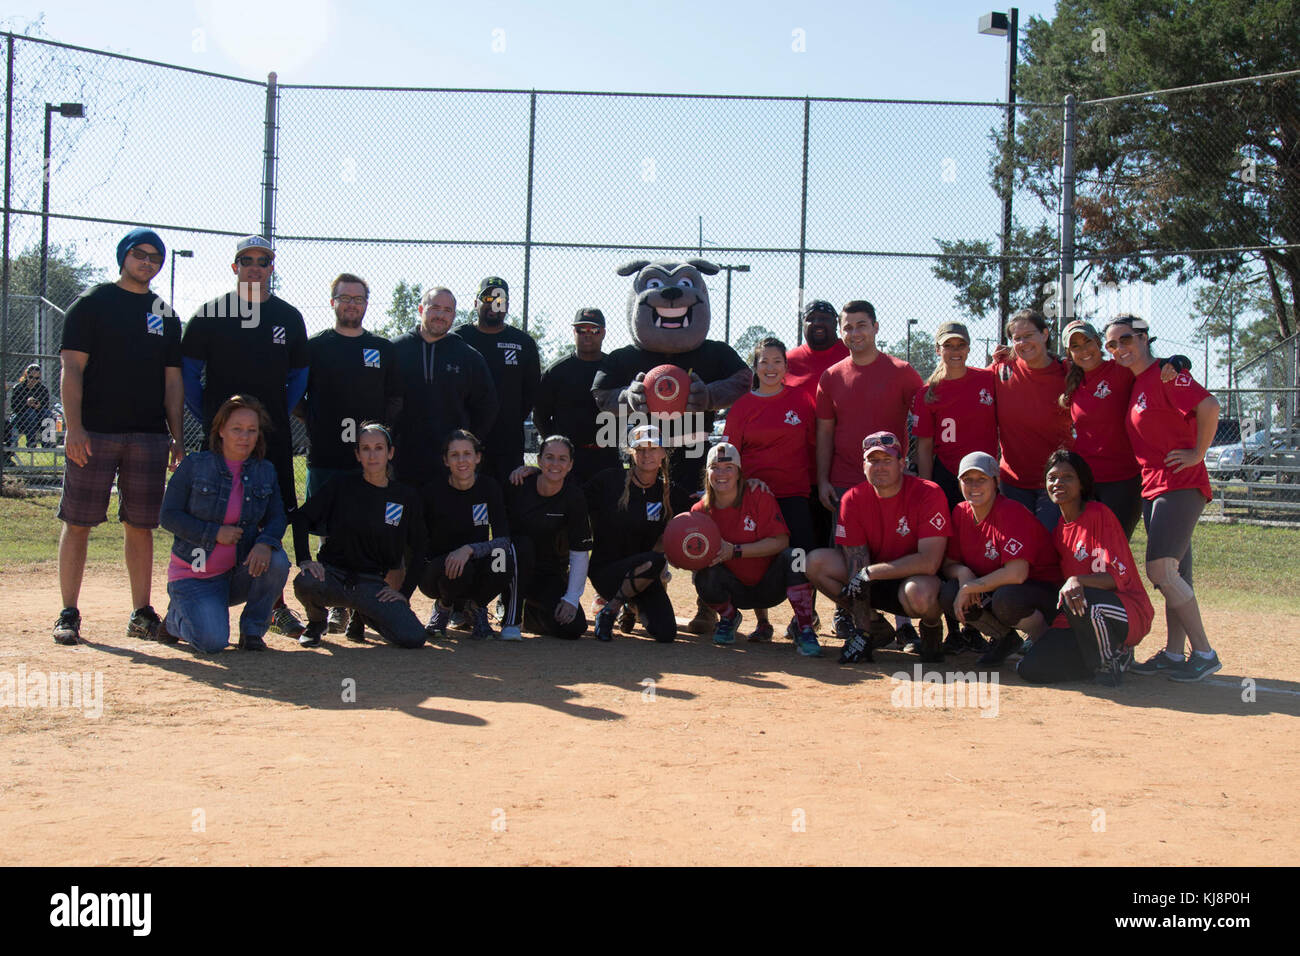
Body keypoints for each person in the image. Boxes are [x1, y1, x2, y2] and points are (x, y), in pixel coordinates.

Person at [54, 228, 185, 645]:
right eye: (140, 254)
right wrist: (74, 428)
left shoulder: (164, 312)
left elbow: (173, 382)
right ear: (123, 256)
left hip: (148, 435)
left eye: (155, 257)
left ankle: (141, 613)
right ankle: (69, 612)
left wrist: (176, 436)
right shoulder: (92, 304)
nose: (147, 262)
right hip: (94, 433)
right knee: (78, 522)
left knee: (141, 526)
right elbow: (71, 369)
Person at [182, 235, 308, 638]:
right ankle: (198, 593)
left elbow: (299, 377)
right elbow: (187, 374)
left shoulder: (288, 317)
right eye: (246, 260)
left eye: (263, 260)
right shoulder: (209, 315)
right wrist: (214, 421)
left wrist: (271, 421)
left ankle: (272, 605)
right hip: (221, 443)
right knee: (211, 514)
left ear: (273, 268)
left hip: (270, 441)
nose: (255, 266)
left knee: (272, 514)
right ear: (234, 267)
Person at [1105, 315, 1223, 682]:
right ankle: (1174, 654)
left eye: (1125, 340)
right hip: (1154, 486)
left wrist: (1198, 453)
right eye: (1112, 345)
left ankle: (1204, 653)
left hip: (1180, 484)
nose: (1119, 349)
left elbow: (1210, 406)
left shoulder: (1167, 374)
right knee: (1175, 574)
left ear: (1143, 339)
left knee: (1161, 571)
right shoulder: (1139, 380)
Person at [815, 300, 923, 647]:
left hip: (893, 483)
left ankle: (905, 624)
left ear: (876, 327)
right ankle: (862, 620)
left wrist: (918, 471)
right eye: (848, 327)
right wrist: (822, 480)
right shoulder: (831, 377)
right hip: (846, 482)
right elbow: (826, 433)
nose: (855, 333)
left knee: (895, 552)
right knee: (849, 557)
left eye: (861, 325)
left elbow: (924, 421)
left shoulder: (902, 371)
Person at [806, 431, 950, 665]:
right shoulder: (852, 499)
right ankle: (873, 628)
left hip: (914, 579)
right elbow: (856, 566)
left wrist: (871, 573)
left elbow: (929, 562)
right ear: (863, 466)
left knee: (920, 594)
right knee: (816, 562)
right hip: (873, 579)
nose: (880, 467)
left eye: (887, 460)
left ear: (901, 464)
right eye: (873, 460)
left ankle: (931, 628)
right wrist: (862, 632)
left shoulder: (928, 492)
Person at [159, 395, 291, 652]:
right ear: (220, 430)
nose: (245, 437)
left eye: (252, 430)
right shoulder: (194, 466)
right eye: (237, 429)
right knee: (212, 643)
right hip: (195, 576)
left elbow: (277, 517)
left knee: (277, 560)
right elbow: (169, 515)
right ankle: (175, 620)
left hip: (237, 573)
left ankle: (253, 631)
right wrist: (214, 533)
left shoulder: (265, 470)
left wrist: (266, 542)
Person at [1018, 449, 1154, 686]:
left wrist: (1077, 580)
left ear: (1082, 484)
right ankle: (1094, 660)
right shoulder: (1060, 530)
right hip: (1082, 615)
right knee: (1031, 668)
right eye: (1052, 478)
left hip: (1127, 611)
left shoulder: (1099, 515)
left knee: (1082, 594)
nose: (1058, 483)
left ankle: (1113, 657)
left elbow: (1114, 578)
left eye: (1067, 477)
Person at [291, 423, 428, 649]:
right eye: (365, 448)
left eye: (379, 448)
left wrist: (404, 592)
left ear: (390, 452)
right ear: (357, 454)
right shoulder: (341, 485)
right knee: (305, 581)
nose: (372, 455)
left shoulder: (405, 496)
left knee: (413, 637)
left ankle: (365, 613)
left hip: (372, 584)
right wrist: (305, 559)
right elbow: (301, 517)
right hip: (333, 576)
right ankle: (316, 622)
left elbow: (420, 546)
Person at [722, 337, 819, 641]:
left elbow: (815, 446)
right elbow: (729, 455)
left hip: (794, 493)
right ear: (755, 367)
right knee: (755, 556)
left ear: (787, 367)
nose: (771, 367)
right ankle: (762, 621)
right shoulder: (741, 407)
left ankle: (802, 620)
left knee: (800, 555)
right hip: (754, 497)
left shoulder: (802, 401)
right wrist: (743, 485)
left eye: (777, 361)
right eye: (764, 361)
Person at [911, 320, 998, 651]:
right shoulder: (927, 392)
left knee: (984, 548)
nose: (955, 351)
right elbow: (923, 446)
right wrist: (928, 486)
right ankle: (957, 629)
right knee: (950, 550)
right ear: (938, 350)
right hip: (948, 476)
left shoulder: (987, 380)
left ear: (969, 347)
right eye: (948, 345)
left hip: (985, 475)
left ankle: (986, 625)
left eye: (960, 345)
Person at [1058, 319, 1188, 539]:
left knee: (1113, 547)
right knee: (1086, 547)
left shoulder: (1121, 369)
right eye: (1075, 346)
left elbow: (1160, 364)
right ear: (1069, 353)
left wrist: (1178, 362)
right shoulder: (1071, 379)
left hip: (1122, 479)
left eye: (1087, 342)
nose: (1084, 350)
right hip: (1084, 480)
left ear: (1099, 343)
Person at [690, 442, 822, 656]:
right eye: (715, 467)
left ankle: (804, 626)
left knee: (796, 556)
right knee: (702, 574)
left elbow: (781, 542)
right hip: (735, 591)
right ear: (707, 473)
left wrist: (735, 550)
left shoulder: (758, 495)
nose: (721, 473)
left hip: (770, 586)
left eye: (728, 467)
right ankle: (729, 617)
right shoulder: (700, 510)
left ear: (739, 472)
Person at [938, 451, 1060, 666]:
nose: (974, 486)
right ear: (959, 483)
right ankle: (1005, 639)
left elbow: (1017, 573)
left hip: (1043, 590)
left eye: (982, 479)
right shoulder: (960, 512)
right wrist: (963, 574)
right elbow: (949, 564)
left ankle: (1045, 642)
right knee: (950, 593)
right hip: (999, 586)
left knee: (1006, 599)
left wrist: (971, 587)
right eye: (967, 480)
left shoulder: (1011, 512)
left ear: (996, 482)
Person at [584, 424, 693, 643]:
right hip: (606, 573)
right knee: (655, 560)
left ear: (663, 452)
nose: (646, 454)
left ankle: (630, 605)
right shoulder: (608, 482)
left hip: (645, 575)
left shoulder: (670, 492)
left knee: (666, 633)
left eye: (653, 448)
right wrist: (535, 472)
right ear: (631, 453)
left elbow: (702, 507)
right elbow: (571, 498)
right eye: (640, 448)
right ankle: (610, 610)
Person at [406, 429, 511, 640]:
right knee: (459, 568)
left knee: (503, 559)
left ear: (478, 457)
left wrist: (469, 550)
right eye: (454, 455)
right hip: (437, 572)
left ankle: (476, 608)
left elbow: (504, 539)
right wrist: (404, 594)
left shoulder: (489, 487)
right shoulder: (432, 492)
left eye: (467, 454)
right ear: (445, 460)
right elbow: (416, 542)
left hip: (473, 560)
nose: (461, 460)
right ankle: (443, 609)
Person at [390, 286, 497, 487]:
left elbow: (487, 408)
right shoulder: (394, 350)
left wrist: (464, 447)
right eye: (435, 308)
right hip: (402, 462)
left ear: (454, 315)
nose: (441, 315)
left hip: (450, 467)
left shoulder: (469, 357)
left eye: (447, 310)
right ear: (421, 310)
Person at [501, 435, 592, 640]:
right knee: (522, 545)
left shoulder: (574, 497)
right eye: (549, 457)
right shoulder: (518, 485)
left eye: (562, 459)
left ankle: (533, 615)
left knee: (574, 628)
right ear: (539, 460)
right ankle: (510, 616)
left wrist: (571, 599)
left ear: (570, 465)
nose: (555, 464)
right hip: (510, 568)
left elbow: (579, 552)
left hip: (547, 575)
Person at [989, 309, 1073, 530]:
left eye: (1029, 335)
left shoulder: (1067, 373)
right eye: (1017, 338)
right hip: (1014, 480)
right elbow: (968, 384)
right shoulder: (1002, 370)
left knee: (1047, 543)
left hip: (1056, 479)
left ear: (1045, 334)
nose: (1023, 342)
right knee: (1018, 544)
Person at [454, 277, 541, 484]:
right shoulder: (458, 339)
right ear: (476, 303)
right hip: (464, 440)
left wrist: (507, 418)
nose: (494, 304)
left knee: (507, 502)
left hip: (507, 441)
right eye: (488, 297)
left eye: (500, 299)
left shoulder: (523, 343)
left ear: (507, 305)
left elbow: (530, 394)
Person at [534, 308, 620, 486]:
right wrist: (558, 447)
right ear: (574, 332)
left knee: (606, 512)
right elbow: (540, 416)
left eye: (594, 330)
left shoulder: (614, 369)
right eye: (581, 330)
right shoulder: (557, 371)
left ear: (603, 333)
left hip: (607, 456)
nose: (587, 335)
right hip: (569, 460)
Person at [7, 363, 53, 448]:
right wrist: (26, 404)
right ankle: (31, 442)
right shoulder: (18, 387)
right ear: (26, 375)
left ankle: (48, 442)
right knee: (30, 413)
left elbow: (46, 405)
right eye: (31, 377)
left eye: (36, 378)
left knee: (48, 413)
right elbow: (14, 407)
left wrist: (39, 406)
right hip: (22, 418)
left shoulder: (42, 389)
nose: (33, 380)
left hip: (38, 418)